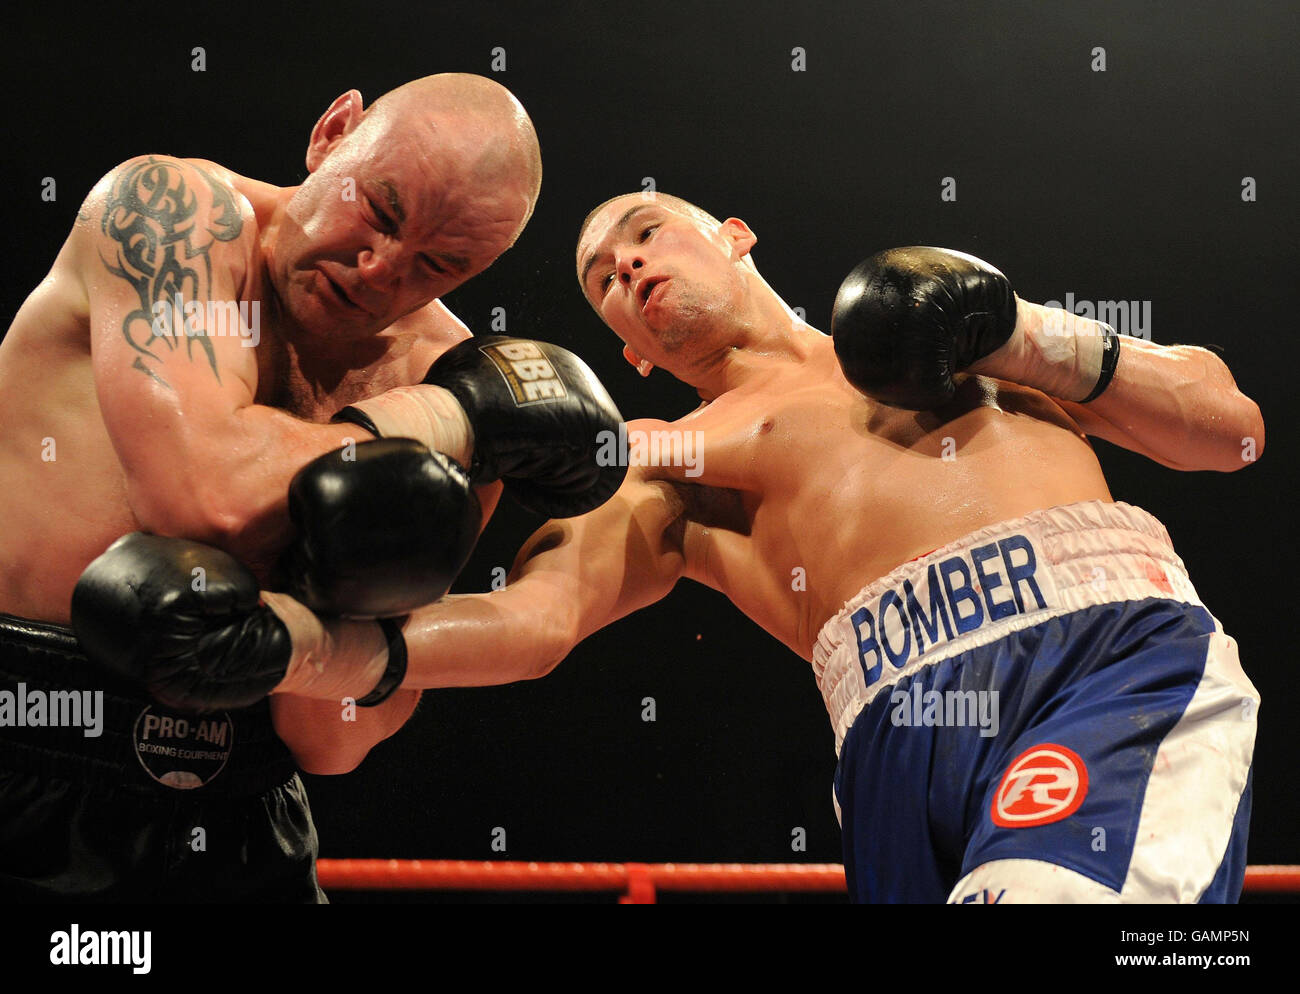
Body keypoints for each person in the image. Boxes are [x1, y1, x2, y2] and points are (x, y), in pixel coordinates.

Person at [82, 191, 1264, 903]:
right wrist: (290, 643)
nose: (629, 268)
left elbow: (1226, 428)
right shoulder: (654, 465)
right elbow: (536, 622)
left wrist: (1020, 332)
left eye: (646, 236)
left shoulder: (958, 337)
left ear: (734, 236)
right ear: (627, 352)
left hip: (1098, 660)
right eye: (603, 280)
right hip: (891, 741)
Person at [0, 73, 624, 902]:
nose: (378, 269)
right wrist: (435, 419)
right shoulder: (170, 213)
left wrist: (322, 621)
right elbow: (201, 494)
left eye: (438, 264)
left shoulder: (452, 372)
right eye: (381, 210)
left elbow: (332, 743)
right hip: (24, 745)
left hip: (247, 811)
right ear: (333, 132)